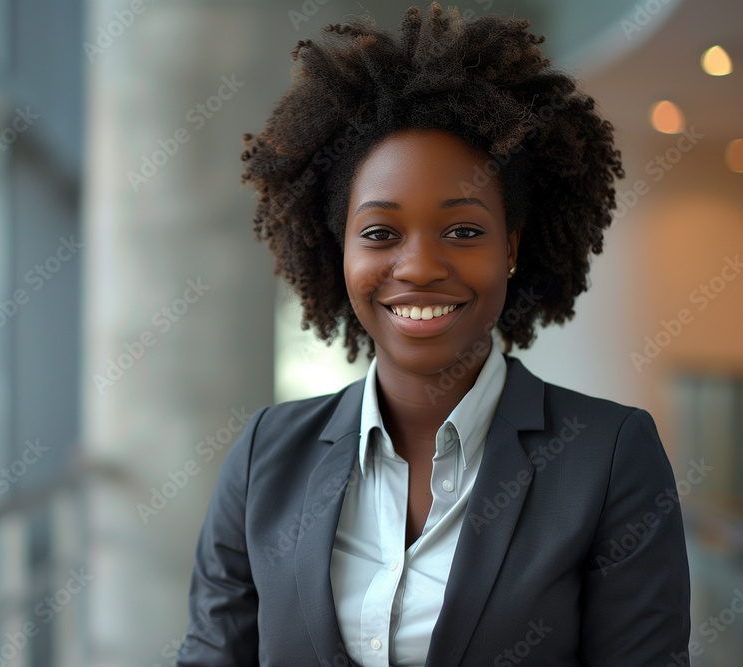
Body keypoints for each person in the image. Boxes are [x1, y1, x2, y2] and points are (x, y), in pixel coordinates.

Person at [176, 3, 691, 665]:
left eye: (463, 231)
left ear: (511, 246)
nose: (418, 266)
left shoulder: (610, 456)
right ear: (341, 252)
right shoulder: (263, 459)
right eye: (381, 233)